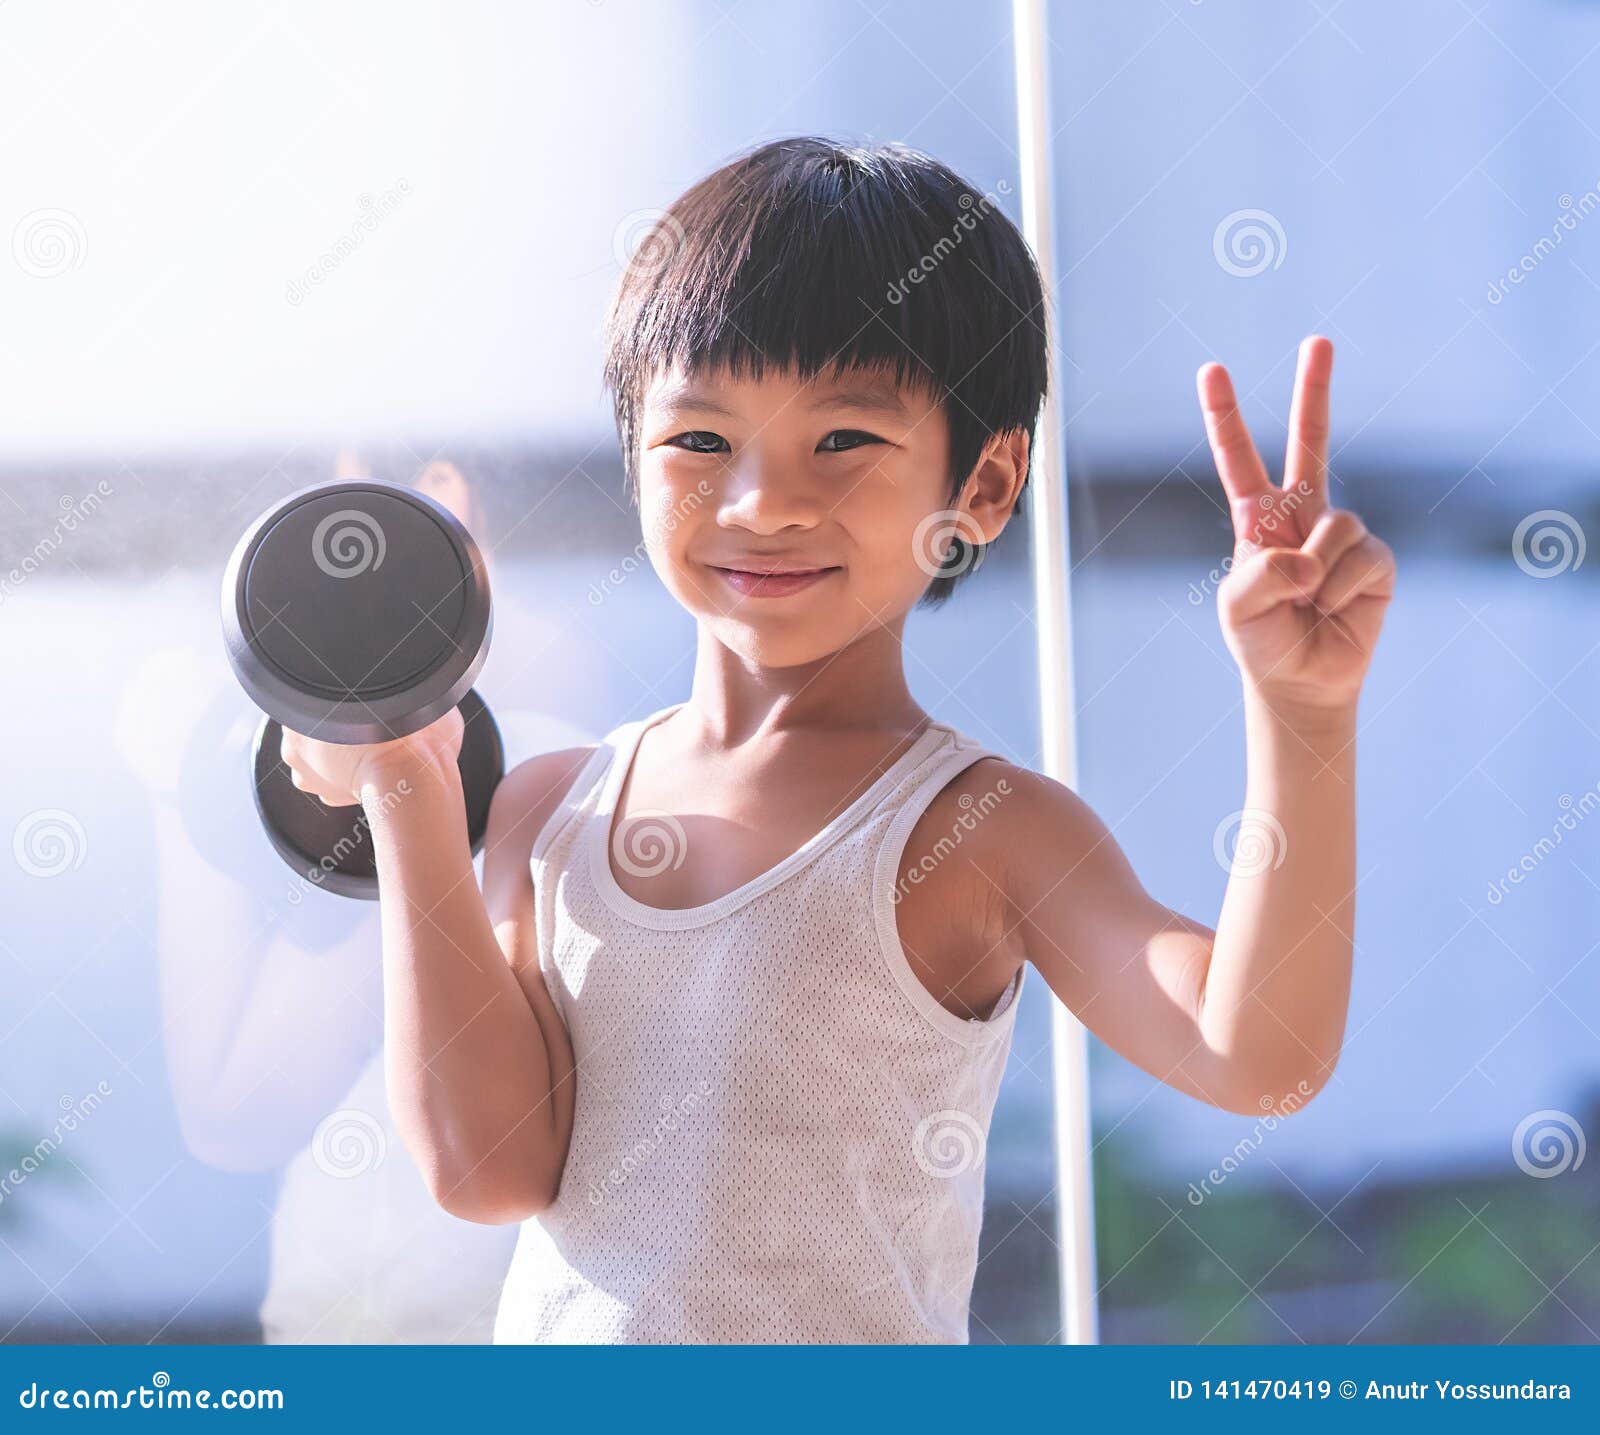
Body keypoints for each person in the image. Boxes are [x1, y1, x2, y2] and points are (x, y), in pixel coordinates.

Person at [275, 136, 1396, 1344]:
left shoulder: (978, 829)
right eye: (699, 441)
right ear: (634, 459)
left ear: (984, 483)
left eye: (844, 441)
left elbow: (1255, 1053)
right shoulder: (549, 810)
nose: (762, 502)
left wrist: (1302, 714)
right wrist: (403, 776)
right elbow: (487, 1169)